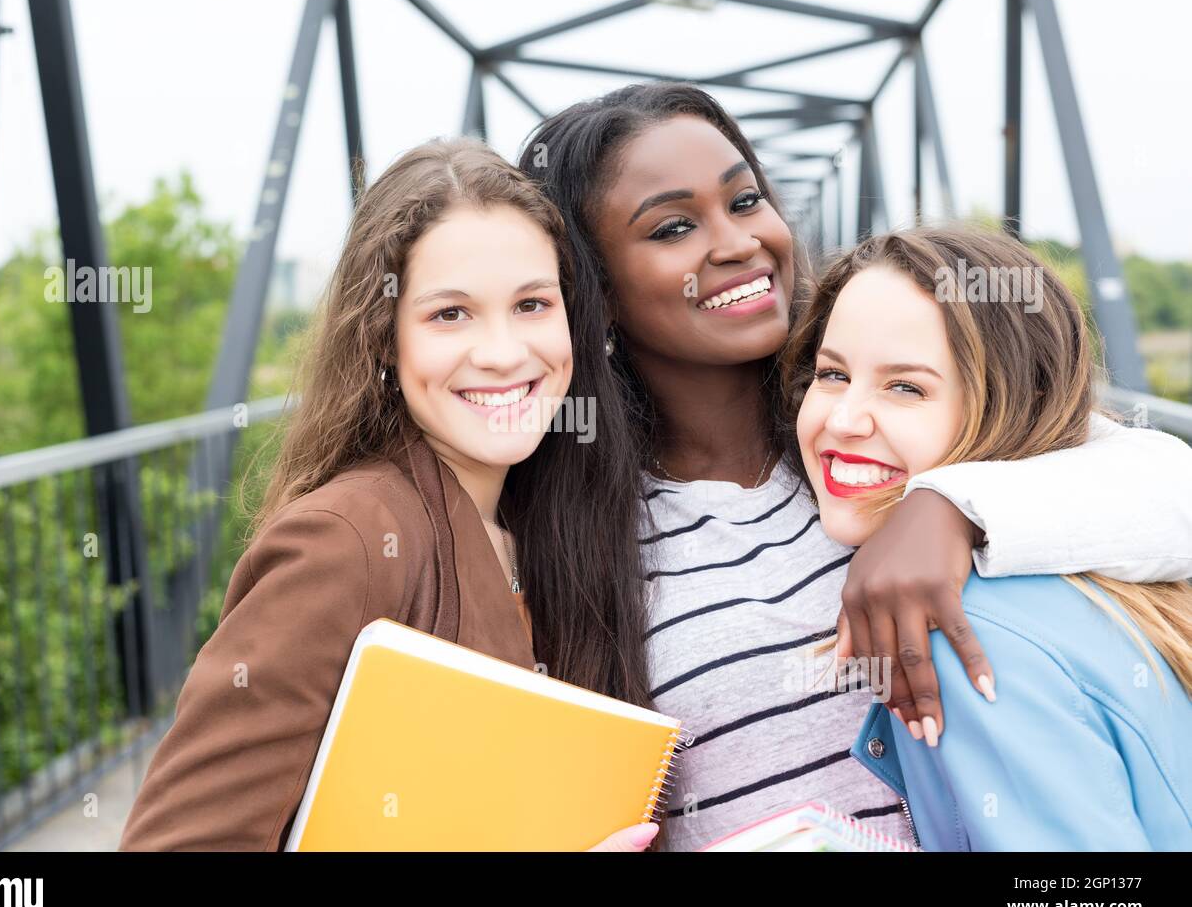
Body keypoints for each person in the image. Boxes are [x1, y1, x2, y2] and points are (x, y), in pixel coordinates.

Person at [518, 83, 1192, 850]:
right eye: (674, 227)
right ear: (595, 291)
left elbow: (1170, 488)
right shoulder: (572, 532)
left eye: (745, 202)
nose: (737, 242)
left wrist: (951, 507)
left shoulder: (889, 446)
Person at [119, 138, 655, 851]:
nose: (502, 352)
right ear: (383, 339)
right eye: (450, 315)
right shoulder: (345, 540)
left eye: (531, 304)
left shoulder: (538, 524)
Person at [786, 225, 1192, 849]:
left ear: (1012, 406)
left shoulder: (964, 633)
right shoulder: (1119, 579)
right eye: (832, 374)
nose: (842, 419)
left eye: (905, 387)